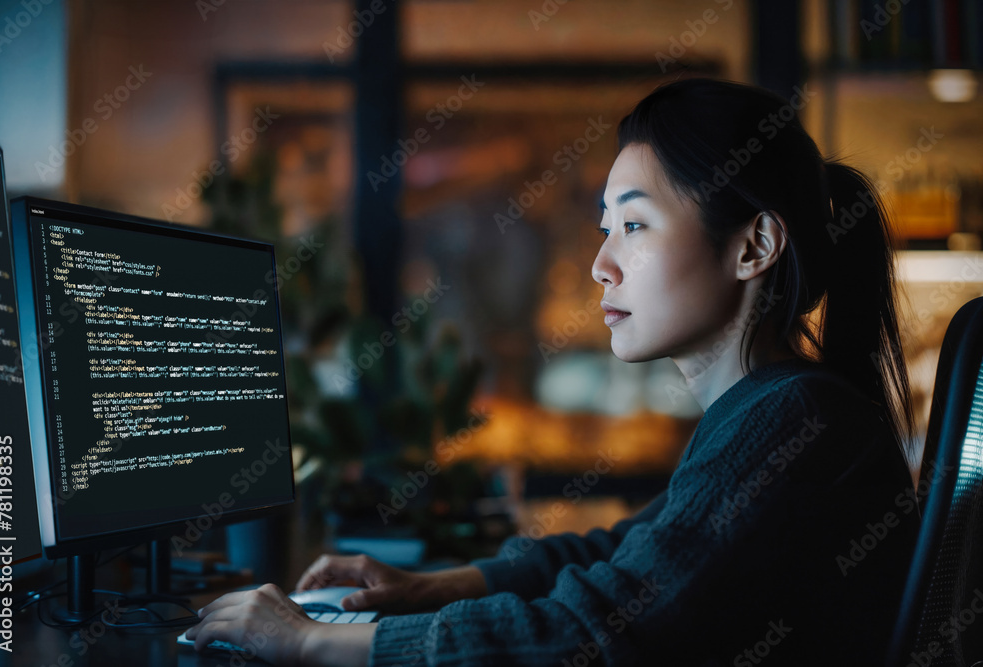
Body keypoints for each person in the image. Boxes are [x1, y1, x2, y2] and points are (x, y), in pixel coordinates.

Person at [187, 77, 920, 666]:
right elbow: (621, 554)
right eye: (605, 228)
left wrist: (310, 641)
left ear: (754, 246)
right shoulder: (773, 411)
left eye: (634, 225)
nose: (601, 264)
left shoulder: (791, 422)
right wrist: (428, 587)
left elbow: (590, 633)